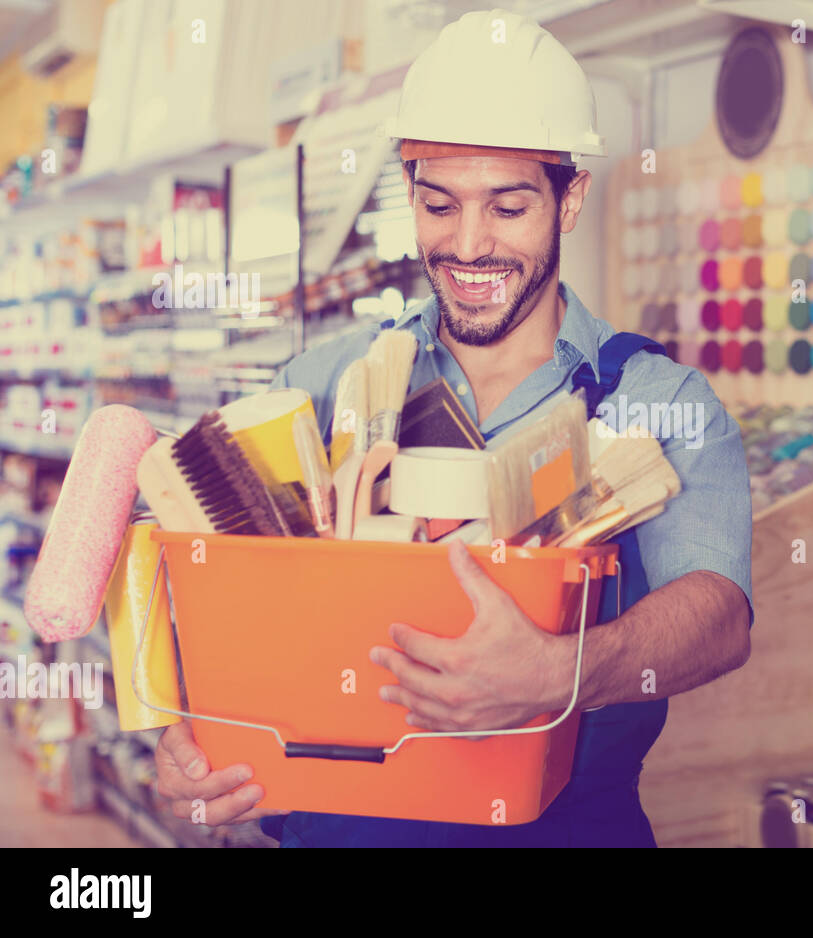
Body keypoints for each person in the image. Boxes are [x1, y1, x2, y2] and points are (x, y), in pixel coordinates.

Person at [153, 8, 753, 847]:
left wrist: (559, 670)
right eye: (439, 204)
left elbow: (721, 618)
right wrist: (187, 735)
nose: (467, 245)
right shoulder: (318, 388)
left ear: (569, 196)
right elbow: (226, 599)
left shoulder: (659, 402)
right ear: (410, 193)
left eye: (507, 208)